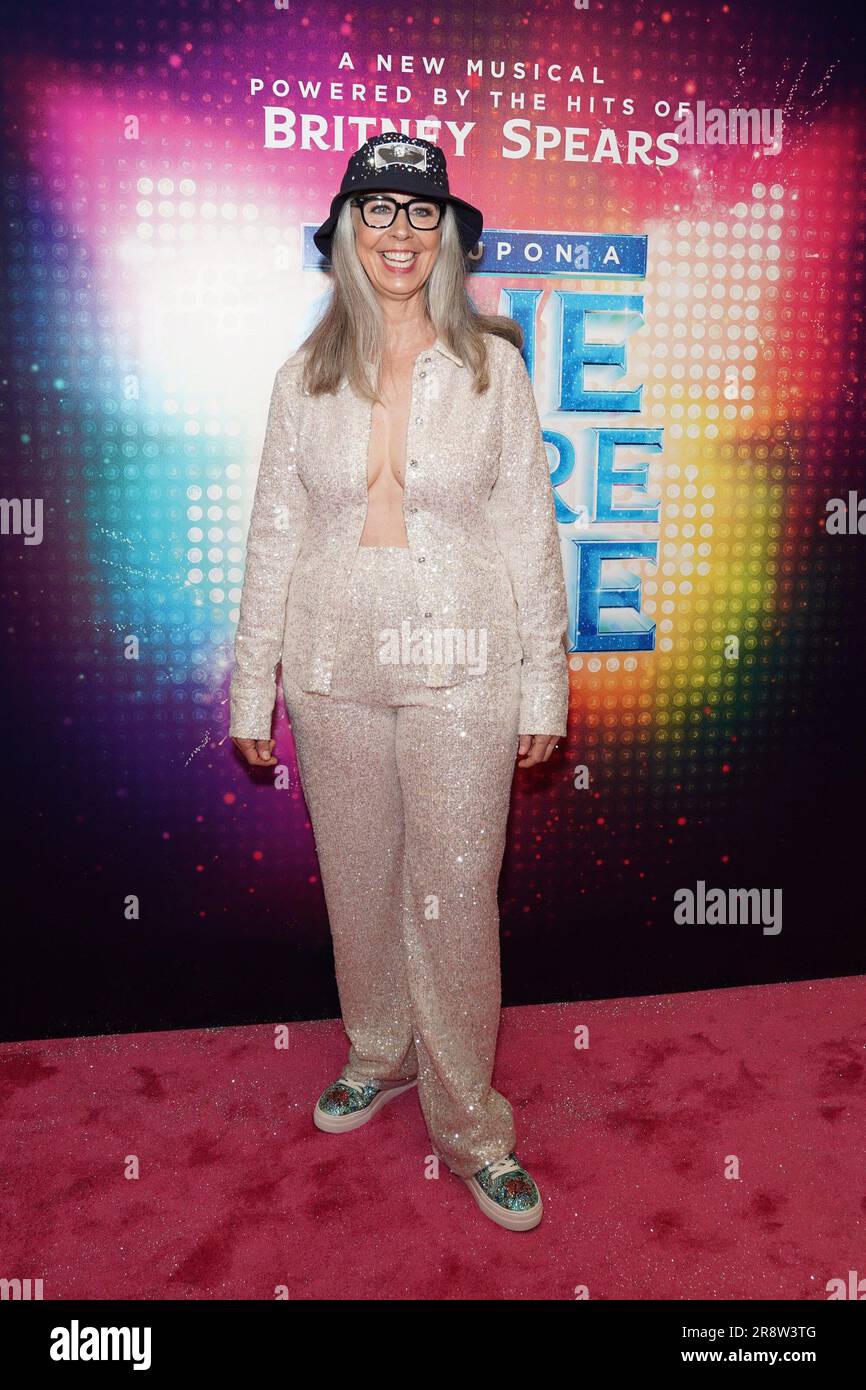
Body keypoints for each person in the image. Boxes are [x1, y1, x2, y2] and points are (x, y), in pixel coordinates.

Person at [229, 134, 569, 1232]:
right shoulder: (302, 376)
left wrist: (540, 692)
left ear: (449, 237)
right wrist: (251, 694)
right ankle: (376, 1049)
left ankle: (469, 1119)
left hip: (464, 669)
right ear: (343, 231)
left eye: (420, 213)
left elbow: (528, 535)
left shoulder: (492, 369)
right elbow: (271, 541)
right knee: (361, 877)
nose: (398, 231)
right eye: (375, 209)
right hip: (331, 671)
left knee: (454, 893)